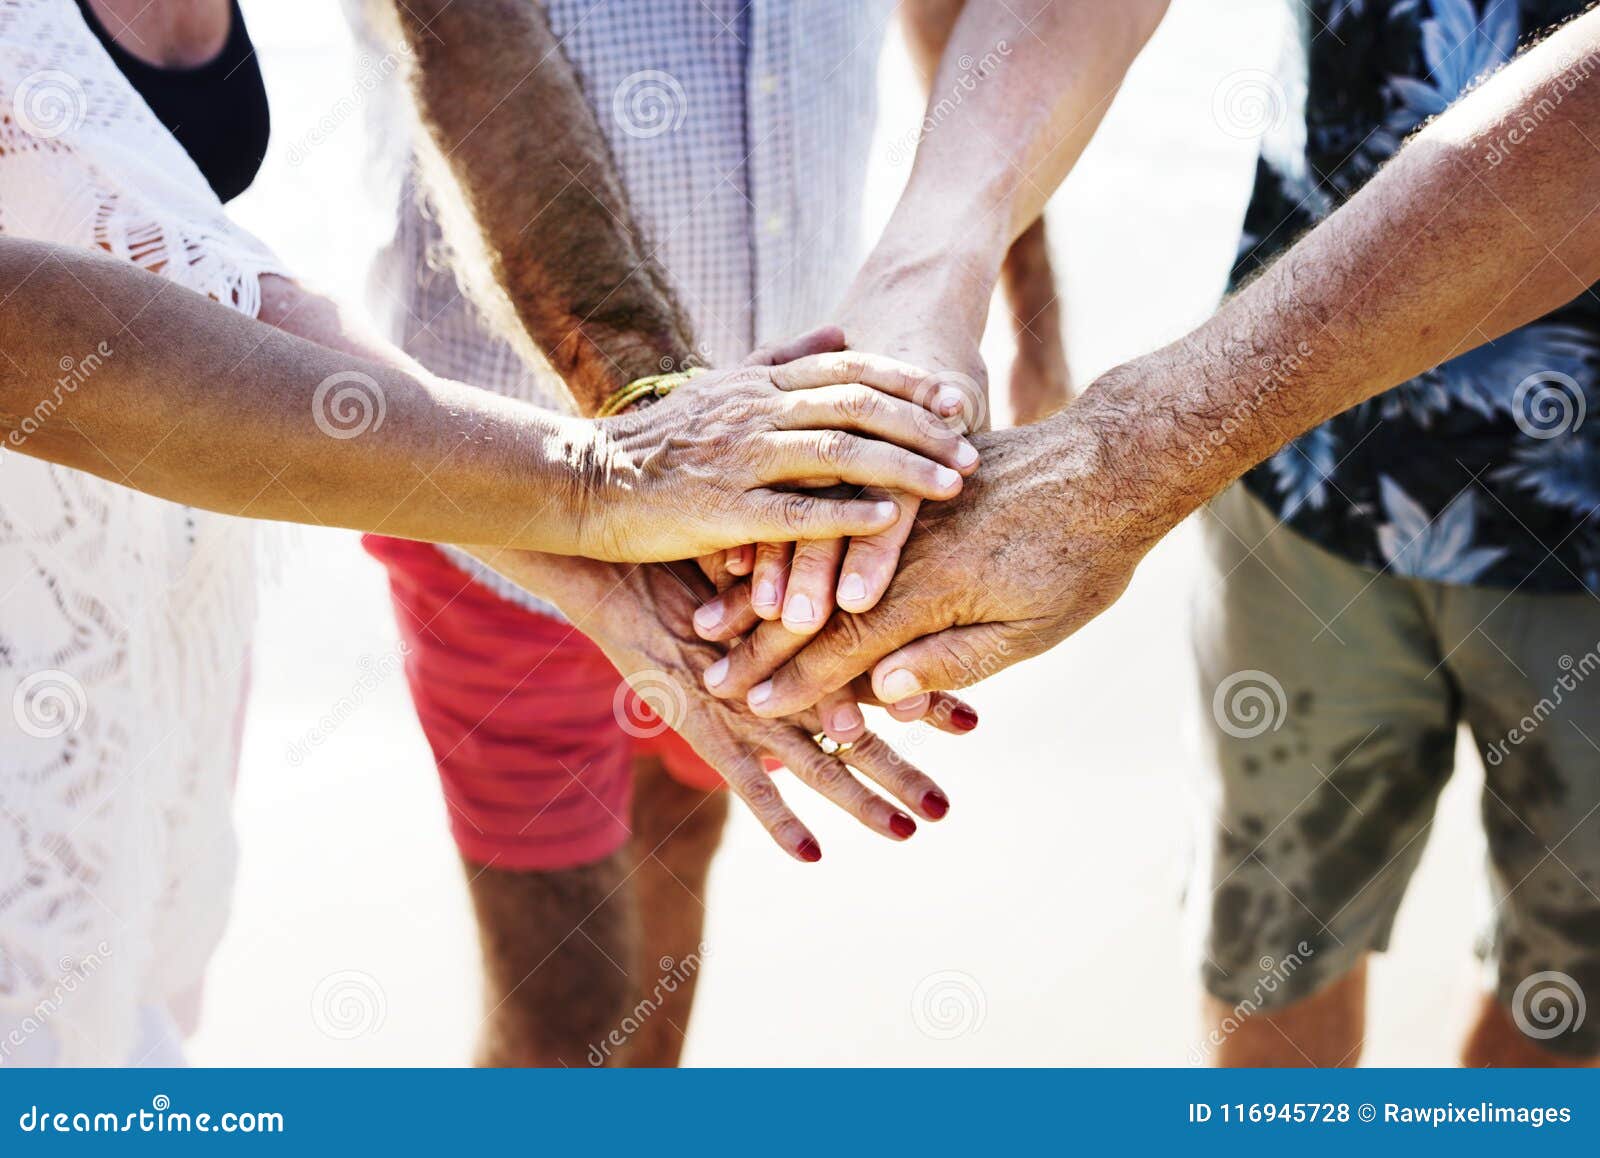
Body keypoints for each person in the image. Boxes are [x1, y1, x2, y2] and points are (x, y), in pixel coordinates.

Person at [0, 0, 967, 1065]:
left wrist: (592, 518)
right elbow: (30, 335)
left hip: (147, 624)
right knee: (569, 1011)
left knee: (120, 1003)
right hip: (45, 643)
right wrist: (591, 477)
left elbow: (221, 289)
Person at [701, 0, 1600, 1066]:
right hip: (1296, 452)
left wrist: (1129, 458)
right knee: (1266, 954)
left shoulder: (1158, 444)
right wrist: (925, 272)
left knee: (1569, 993)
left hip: (1505, 486)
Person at [346, 0, 1137, 1067]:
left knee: (683, 838)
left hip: (781, 495)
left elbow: (962, 17)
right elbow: (467, 37)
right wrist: (645, 427)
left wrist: (1014, 305)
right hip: (503, 483)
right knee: (564, 1013)